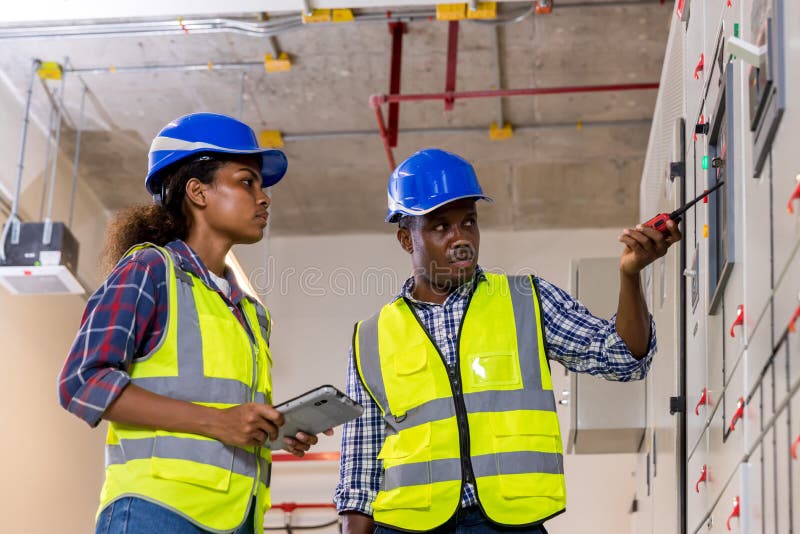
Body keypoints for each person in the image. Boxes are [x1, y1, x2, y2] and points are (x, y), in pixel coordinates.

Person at [334, 148, 681, 533]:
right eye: (440, 227)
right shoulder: (370, 336)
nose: (460, 238)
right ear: (405, 239)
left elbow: (623, 359)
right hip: (408, 526)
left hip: (510, 524)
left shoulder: (527, 300)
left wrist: (630, 276)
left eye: (469, 222)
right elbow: (359, 468)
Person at [58, 112, 330, 534]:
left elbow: (223, 414)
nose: (264, 198)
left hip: (238, 519)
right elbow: (81, 382)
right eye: (246, 181)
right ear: (198, 192)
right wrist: (219, 421)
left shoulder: (251, 313)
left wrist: (270, 430)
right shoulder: (150, 270)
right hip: (157, 512)